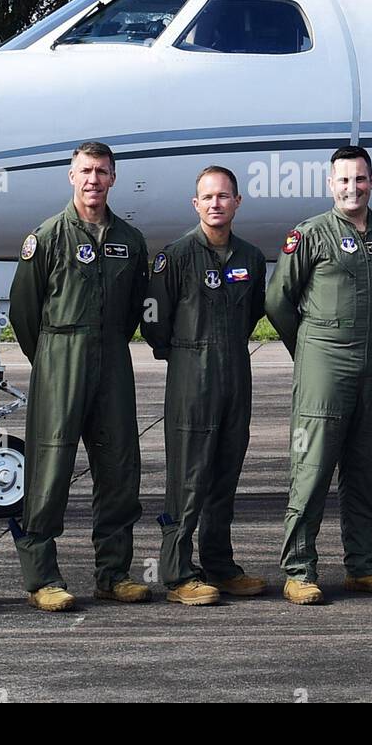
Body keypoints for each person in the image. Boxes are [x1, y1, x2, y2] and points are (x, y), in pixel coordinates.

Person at [266, 146, 372, 605]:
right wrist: (309, 348)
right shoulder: (309, 235)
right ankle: (298, 569)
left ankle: (365, 565)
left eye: (360, 179)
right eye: (343, 180)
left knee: (367, 467)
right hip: (324, 361)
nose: (352, 188)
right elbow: (277, 301)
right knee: (311, 467)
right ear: (330, 185)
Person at [9, 141, 150, 611]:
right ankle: (42, 577)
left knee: (119, 468)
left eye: (102, 172)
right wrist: (51, 358)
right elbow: (25, 313)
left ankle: (114, 573)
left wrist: (104, 343)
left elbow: (133, 307)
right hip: (59, 358)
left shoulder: (130, 240)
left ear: (113, 178)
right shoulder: (46, 237)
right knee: (50, 471)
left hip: (112, 359)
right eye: (85, 171)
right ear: (72, 176)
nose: (93, 180)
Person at [142, 166, 267, 606]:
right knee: (188, 477)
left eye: (224, 196)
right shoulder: (175, 256)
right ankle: (177, 573)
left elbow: (252, 312)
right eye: (207, 197)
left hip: (235, 372)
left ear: (237, 202)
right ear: (196, 204)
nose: (216, 204)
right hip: (190, 376)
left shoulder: (250, 258)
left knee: (225, 474)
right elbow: (154, 319)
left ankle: (220, 564)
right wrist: (182, 353)